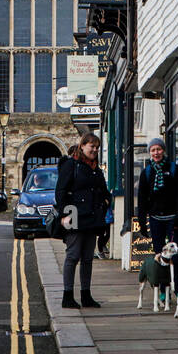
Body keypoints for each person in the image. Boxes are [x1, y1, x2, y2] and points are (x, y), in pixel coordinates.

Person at [55, 132, 109, 309]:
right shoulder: (71, 164)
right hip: (75, 216)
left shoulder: (95, 168)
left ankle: (86, 296)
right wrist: (64, 215)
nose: (94, 150)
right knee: (72, 256)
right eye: (91, 146)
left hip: (92, 218)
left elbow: (102, 189)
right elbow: (61, 191)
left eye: (97, 147)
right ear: (82, 145)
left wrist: (107, 200)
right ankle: (67, 296)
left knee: (87, 258)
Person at [136, 137, 178, 301]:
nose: (156, 153)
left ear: (164, 151)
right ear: (150, 153)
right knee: (159, 256)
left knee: (176, 255)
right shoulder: (147, 173)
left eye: (159, 149)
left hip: (172, 219)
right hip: (155, 218)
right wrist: (142, 222)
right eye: (153, 150)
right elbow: (142, 199)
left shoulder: (174, 169)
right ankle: (163, 290)